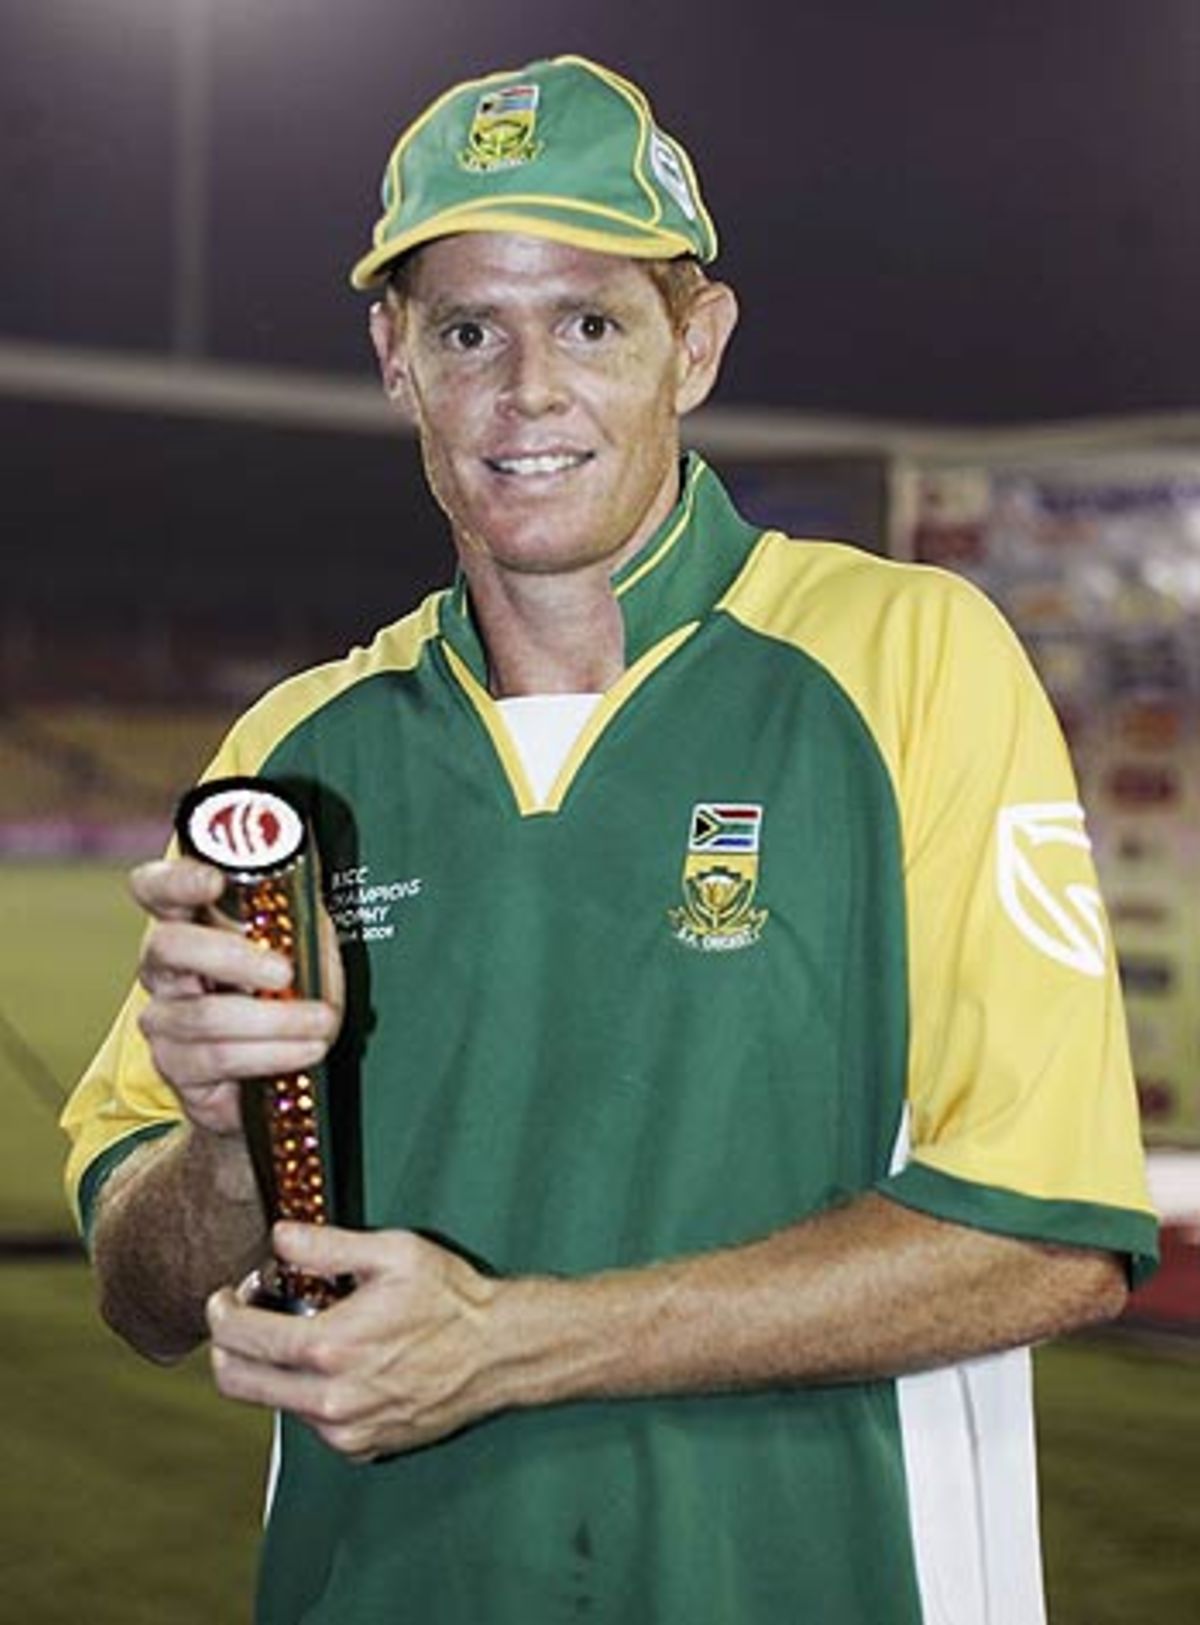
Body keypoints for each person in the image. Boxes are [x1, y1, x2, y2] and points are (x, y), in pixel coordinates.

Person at [62, 53, 1157, 1625]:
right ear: (394, 358)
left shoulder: (906, 659)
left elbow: (1052, 1237)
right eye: (467, 331)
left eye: (589, 323)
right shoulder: (294, 756)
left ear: (693, 345)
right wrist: (231, 1149)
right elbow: (145, 1292)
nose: (527, 392)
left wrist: (509, 1341)